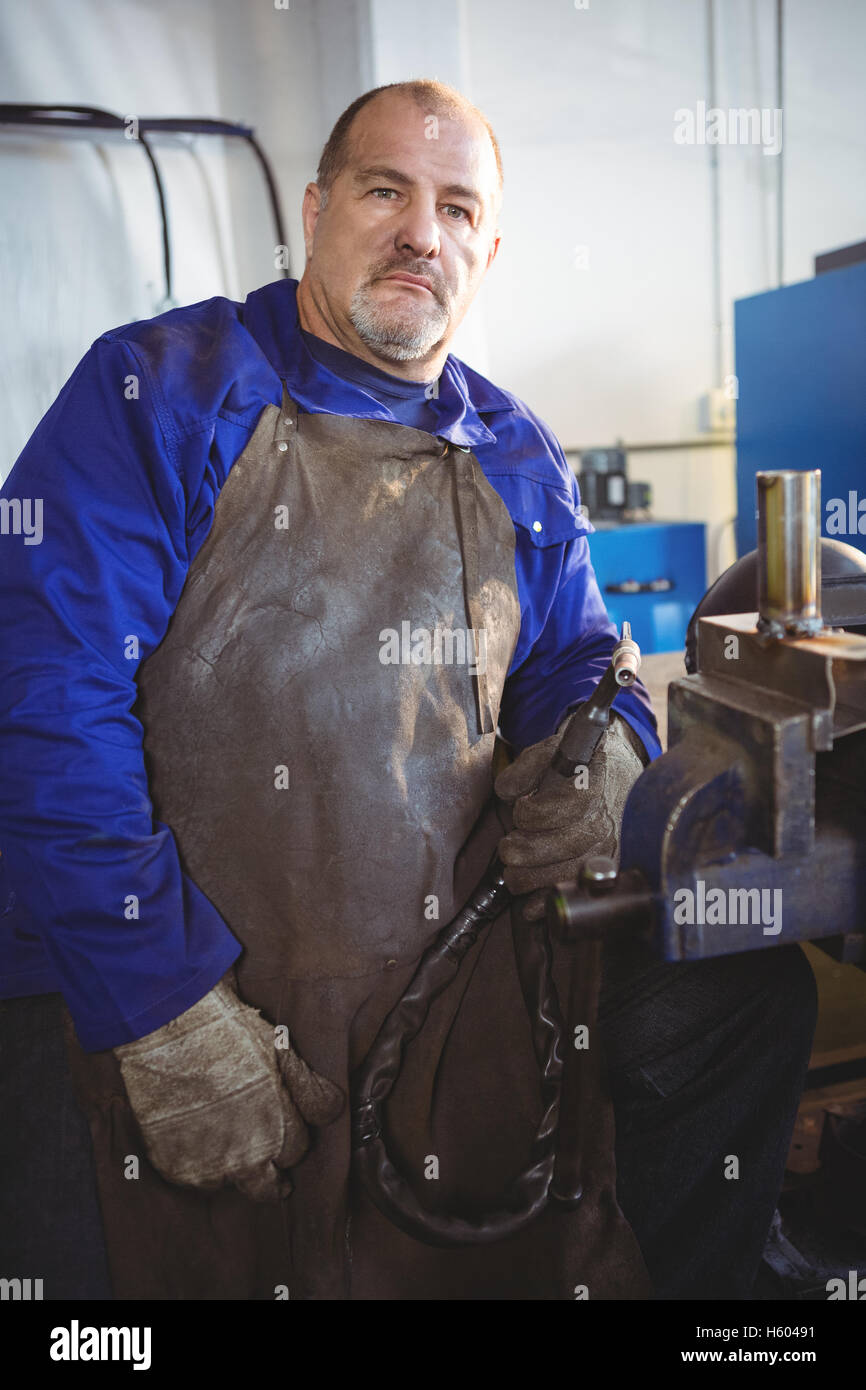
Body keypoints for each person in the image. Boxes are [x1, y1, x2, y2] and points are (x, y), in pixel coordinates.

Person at [0, 78, 815, 1301]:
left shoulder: (510, 448)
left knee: (740, 994)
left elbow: (578, 665)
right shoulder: (157, 391)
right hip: (147, 962)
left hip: (436, 968)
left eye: (455, 207)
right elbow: (45, 698)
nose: (418, 231)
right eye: (384, 190)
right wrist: (157, 1004)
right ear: (318, 208)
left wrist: (604, 762)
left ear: (486, 249)